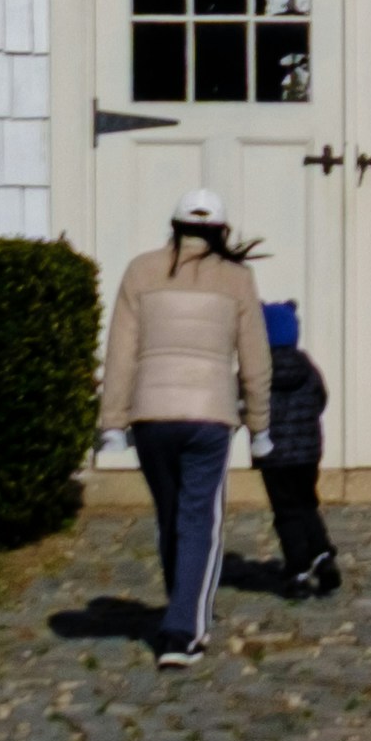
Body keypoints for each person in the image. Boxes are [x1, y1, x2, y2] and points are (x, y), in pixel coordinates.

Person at [100, 208, 274, 667]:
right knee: (200, 521)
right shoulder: (236, 278)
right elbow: (255, 359)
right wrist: (259, 426)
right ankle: (184, 631)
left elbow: (120, 351)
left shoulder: (141, 269)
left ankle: (183, 604)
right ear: (220, 231)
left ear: (174, 227)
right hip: (208, 418)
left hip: (151, 417)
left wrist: (112, 422)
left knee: (171, 516)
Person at [257, 295, 338, 602]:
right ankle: (322, 555)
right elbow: (321, 399)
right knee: (307, 504)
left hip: (273, 456)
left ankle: (299, 570)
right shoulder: (307, 367)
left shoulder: (259, 371)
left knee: (286, 512)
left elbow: (247, 404)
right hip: (308, 453)